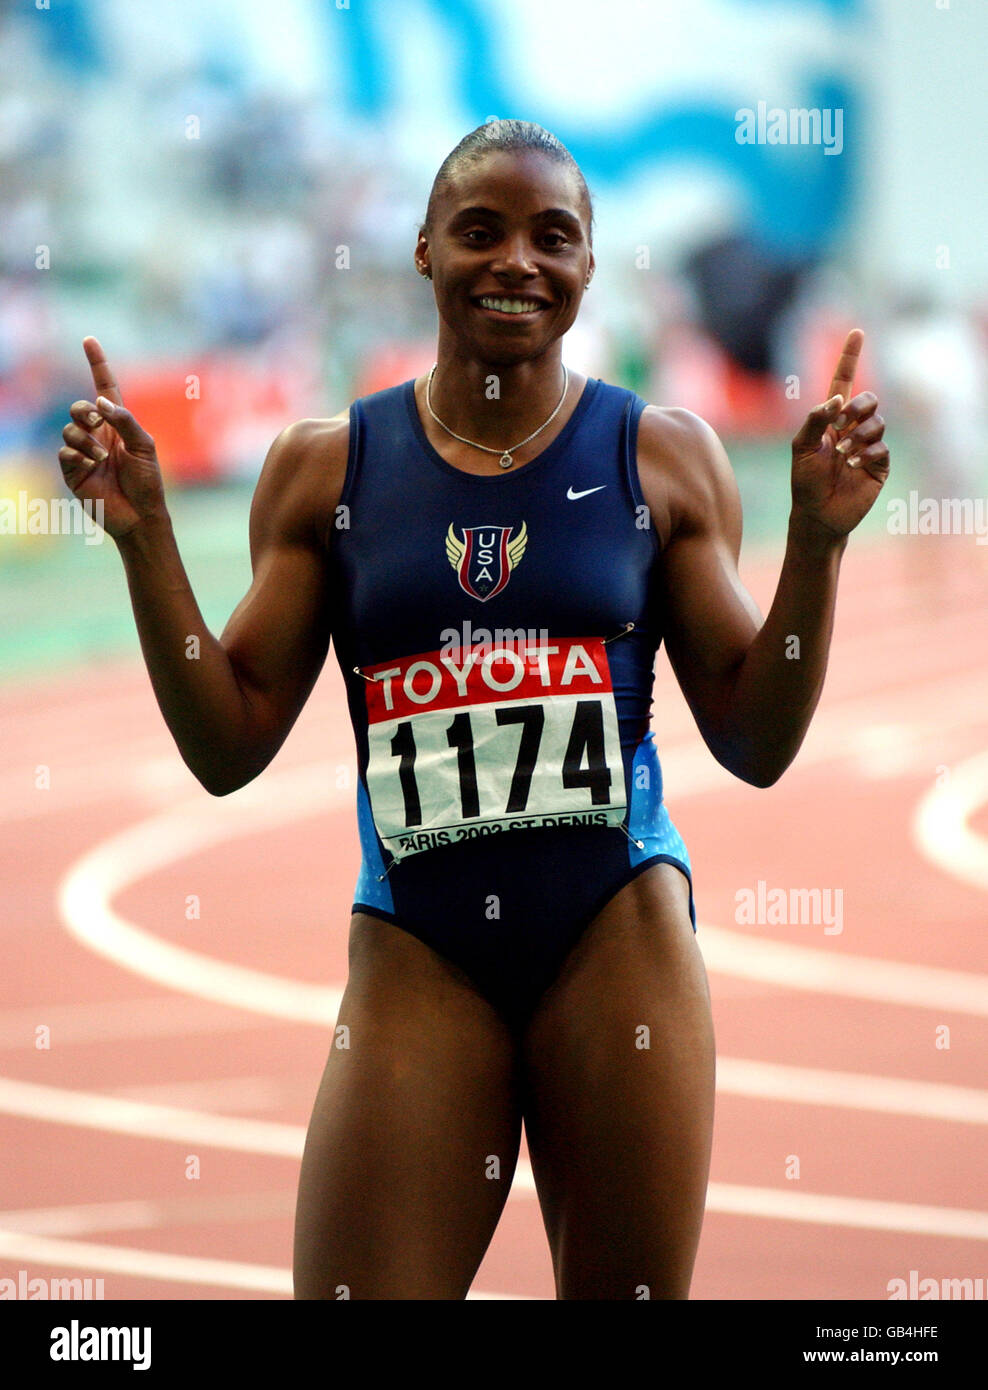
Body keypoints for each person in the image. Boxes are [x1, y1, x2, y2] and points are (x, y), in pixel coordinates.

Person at [57, 120, 890, 1300]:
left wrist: (816, 540)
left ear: (589, 266)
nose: (517, 262)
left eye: (553, 237)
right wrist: (144, 543)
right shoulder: (325, 469)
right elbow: (226, 743)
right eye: (481, 231)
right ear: (421, 251)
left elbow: (755, 743)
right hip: (417, 953)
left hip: (618, 938)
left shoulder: (661, 457)